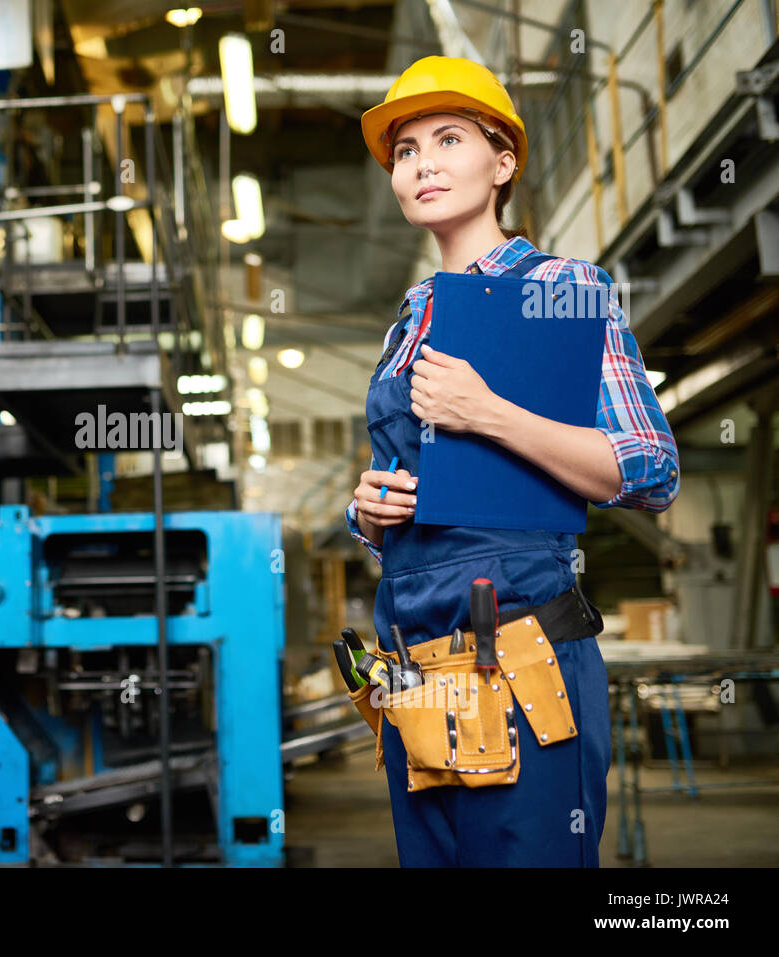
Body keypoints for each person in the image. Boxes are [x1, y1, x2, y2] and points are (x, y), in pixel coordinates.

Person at [345, 56, 680, 866]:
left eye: (448, 138)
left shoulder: (563, 288)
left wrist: (490, 413)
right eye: (405, 150)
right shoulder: (413, 316)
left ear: (502, 165)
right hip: (411, 670)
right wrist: (365, 508)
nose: (422, 162)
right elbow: (412, 481)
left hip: (522, 660)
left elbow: (649, 468)